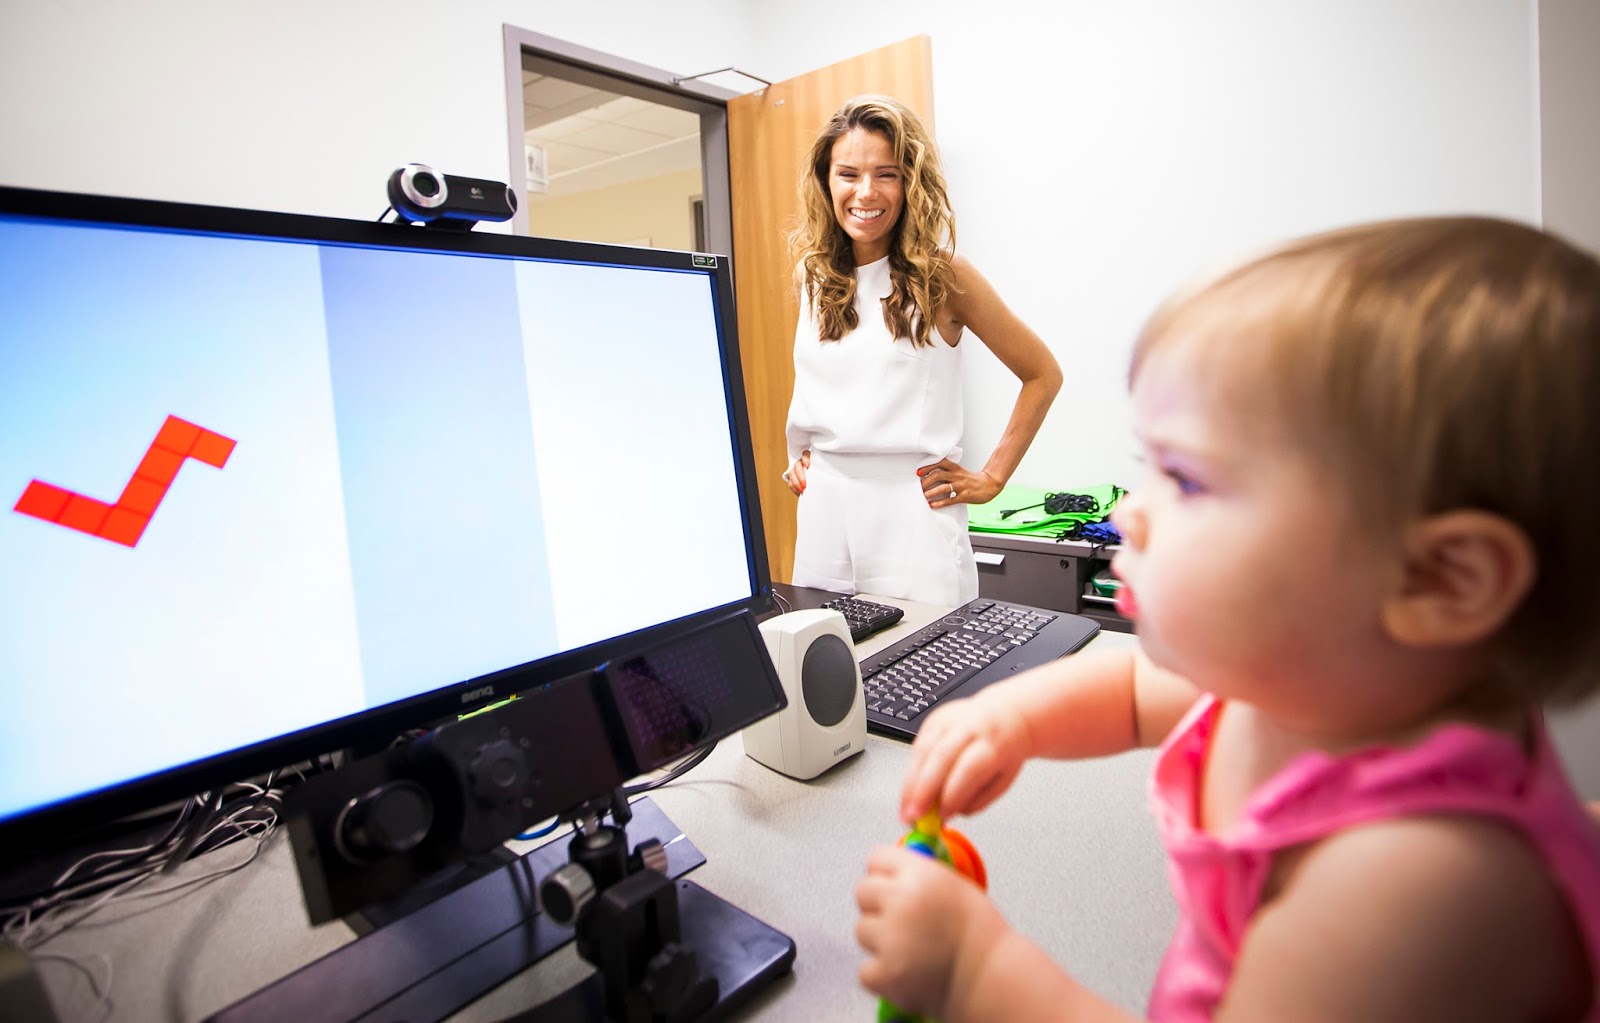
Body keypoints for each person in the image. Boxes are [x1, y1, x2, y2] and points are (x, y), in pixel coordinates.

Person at [855, 216, 1600, 1021]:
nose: (1132, 513)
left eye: (1190, 479)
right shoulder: (1305, 689)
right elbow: (1139, 693)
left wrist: (975, 970)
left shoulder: (1411, 885)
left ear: (1440, 579)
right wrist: (1008, 718)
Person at [781, 95, 1062, 607]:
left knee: (929, 671)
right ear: (825, 181)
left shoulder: (946, 277)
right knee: (827, 673)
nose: (865, 192)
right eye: (848, 174)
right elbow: (824, 383)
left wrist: (993, 476)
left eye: (886, 174)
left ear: (911, 181)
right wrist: (802, 454)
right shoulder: (813, 275)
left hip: (913, 516)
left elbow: (1043, 373)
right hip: (823, 511)